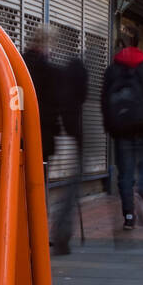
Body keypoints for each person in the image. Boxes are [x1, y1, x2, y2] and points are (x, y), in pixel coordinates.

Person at [101, 28, 143, 230]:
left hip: (121, 129)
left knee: (125, 173)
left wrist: (110, 126)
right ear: (139, 43)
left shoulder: (112, 70)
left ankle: (129, 215)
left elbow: (104, 101)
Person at [51, 51, 89, 255]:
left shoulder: (59, 76)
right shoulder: (72, 92)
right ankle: (61, 236)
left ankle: (59, 235)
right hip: (70, 135)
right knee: (70, 191)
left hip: (59, 133)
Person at [23, 23, 61, 167]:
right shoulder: (49, 70)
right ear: (49, 42)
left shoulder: (20, 61)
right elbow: (52, 105)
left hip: (20, 130)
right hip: (41, 131)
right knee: (39, 173)